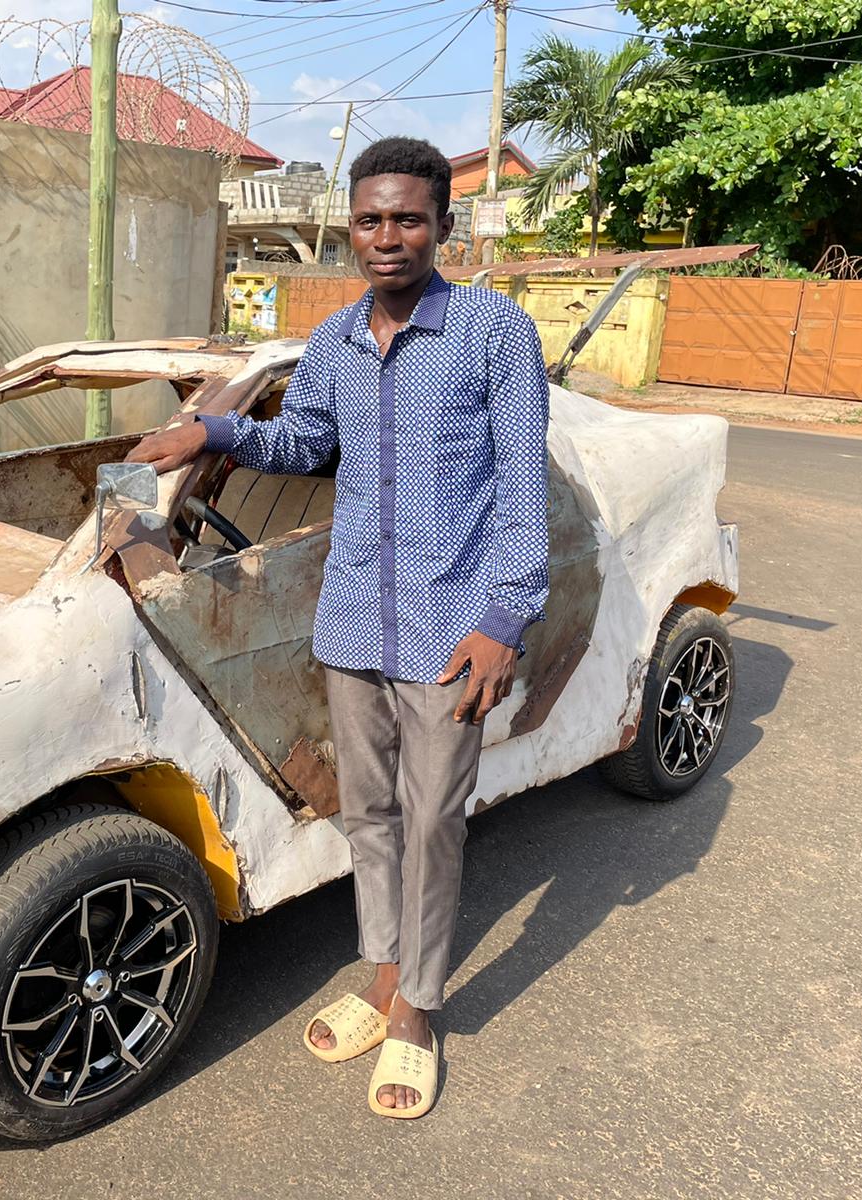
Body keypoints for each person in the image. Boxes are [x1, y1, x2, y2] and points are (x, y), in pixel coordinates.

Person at [128, 136, 550, 1119]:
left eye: (408, 218)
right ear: (348, 228)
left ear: (443, 224)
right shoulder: (333, 342)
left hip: (453, 625)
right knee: (368, 816)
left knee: (434, 820)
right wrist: (215, 431)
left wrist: (504, 616)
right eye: (369, 219)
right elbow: (306, 441)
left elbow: (524, 493)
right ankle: (380, 975)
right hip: (356, 616)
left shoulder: (494, 333)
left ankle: (417, 1010)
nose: (386, 237)